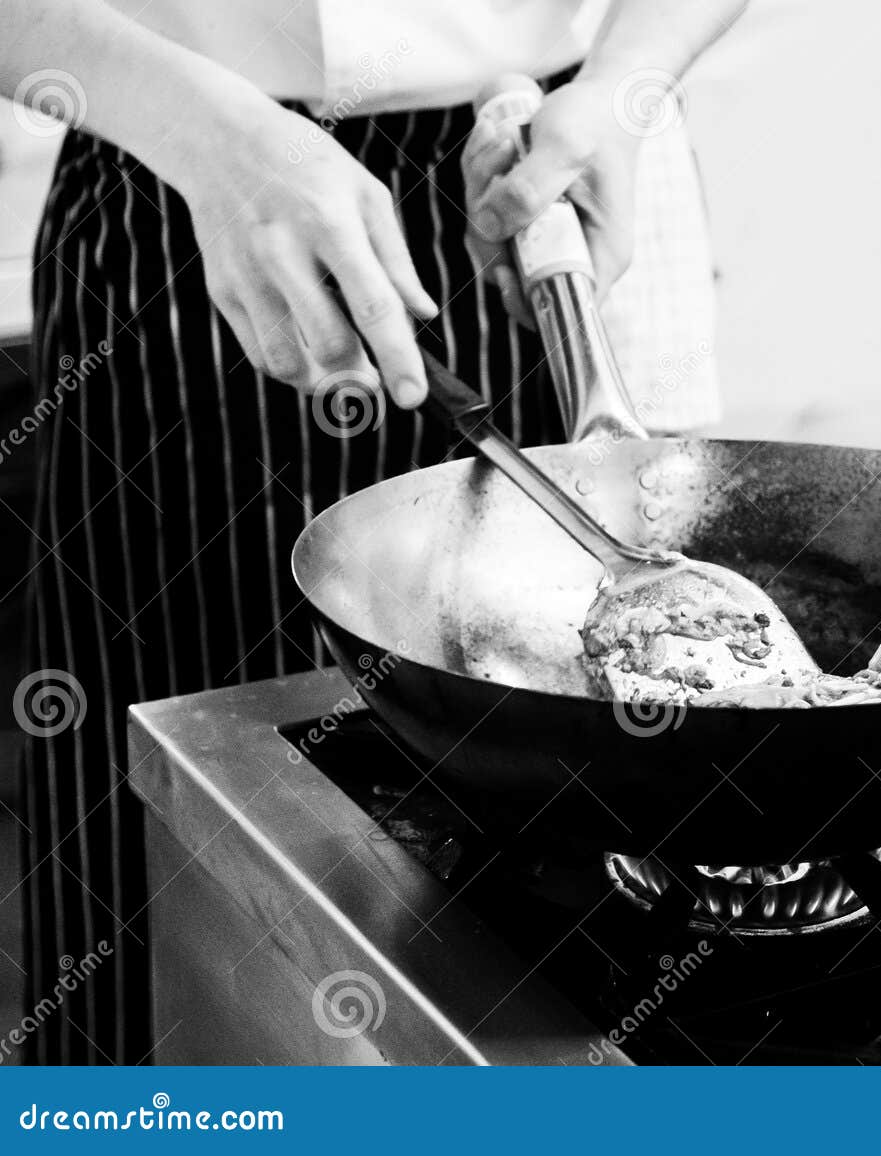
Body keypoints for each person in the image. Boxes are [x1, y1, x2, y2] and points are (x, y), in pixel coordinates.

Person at [1, 0, 744, 1064]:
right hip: (171, 173)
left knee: (520, 899)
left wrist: (626, 83)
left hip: (518, 189)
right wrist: (206, 134)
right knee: (159, 844)